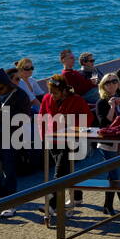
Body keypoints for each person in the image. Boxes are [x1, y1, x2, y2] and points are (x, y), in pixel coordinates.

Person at [39, 75, 91, 216]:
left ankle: (51, 205)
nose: (52, 96)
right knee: (66, 171)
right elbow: (42, 116)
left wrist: (73, 123)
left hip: (71, 141)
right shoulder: (46, 98)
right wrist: (43, 137)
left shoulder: (77, 100)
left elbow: (88, 119)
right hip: (52, 140)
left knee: (59, 173)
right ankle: (77, 196)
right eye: (50, 92)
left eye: (55, 93)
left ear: (63, 90)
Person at [0, 68, 28, 215]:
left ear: (6, 84)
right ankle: (3, 197)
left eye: (0, 88)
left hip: (12, 138)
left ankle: (9, 204)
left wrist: (2, 115)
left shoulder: (20, 95)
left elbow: (23, 118)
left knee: (9, 172)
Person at [92, 74, 120, 215]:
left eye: (114, 81)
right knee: (117, 175)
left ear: (118, 84)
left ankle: (107, 205)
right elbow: (104, 123)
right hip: (108, 144)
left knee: (113, 175)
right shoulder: (101, 102)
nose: (111, 84)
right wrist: (111, 107)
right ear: (103, 86)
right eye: (107, 82)